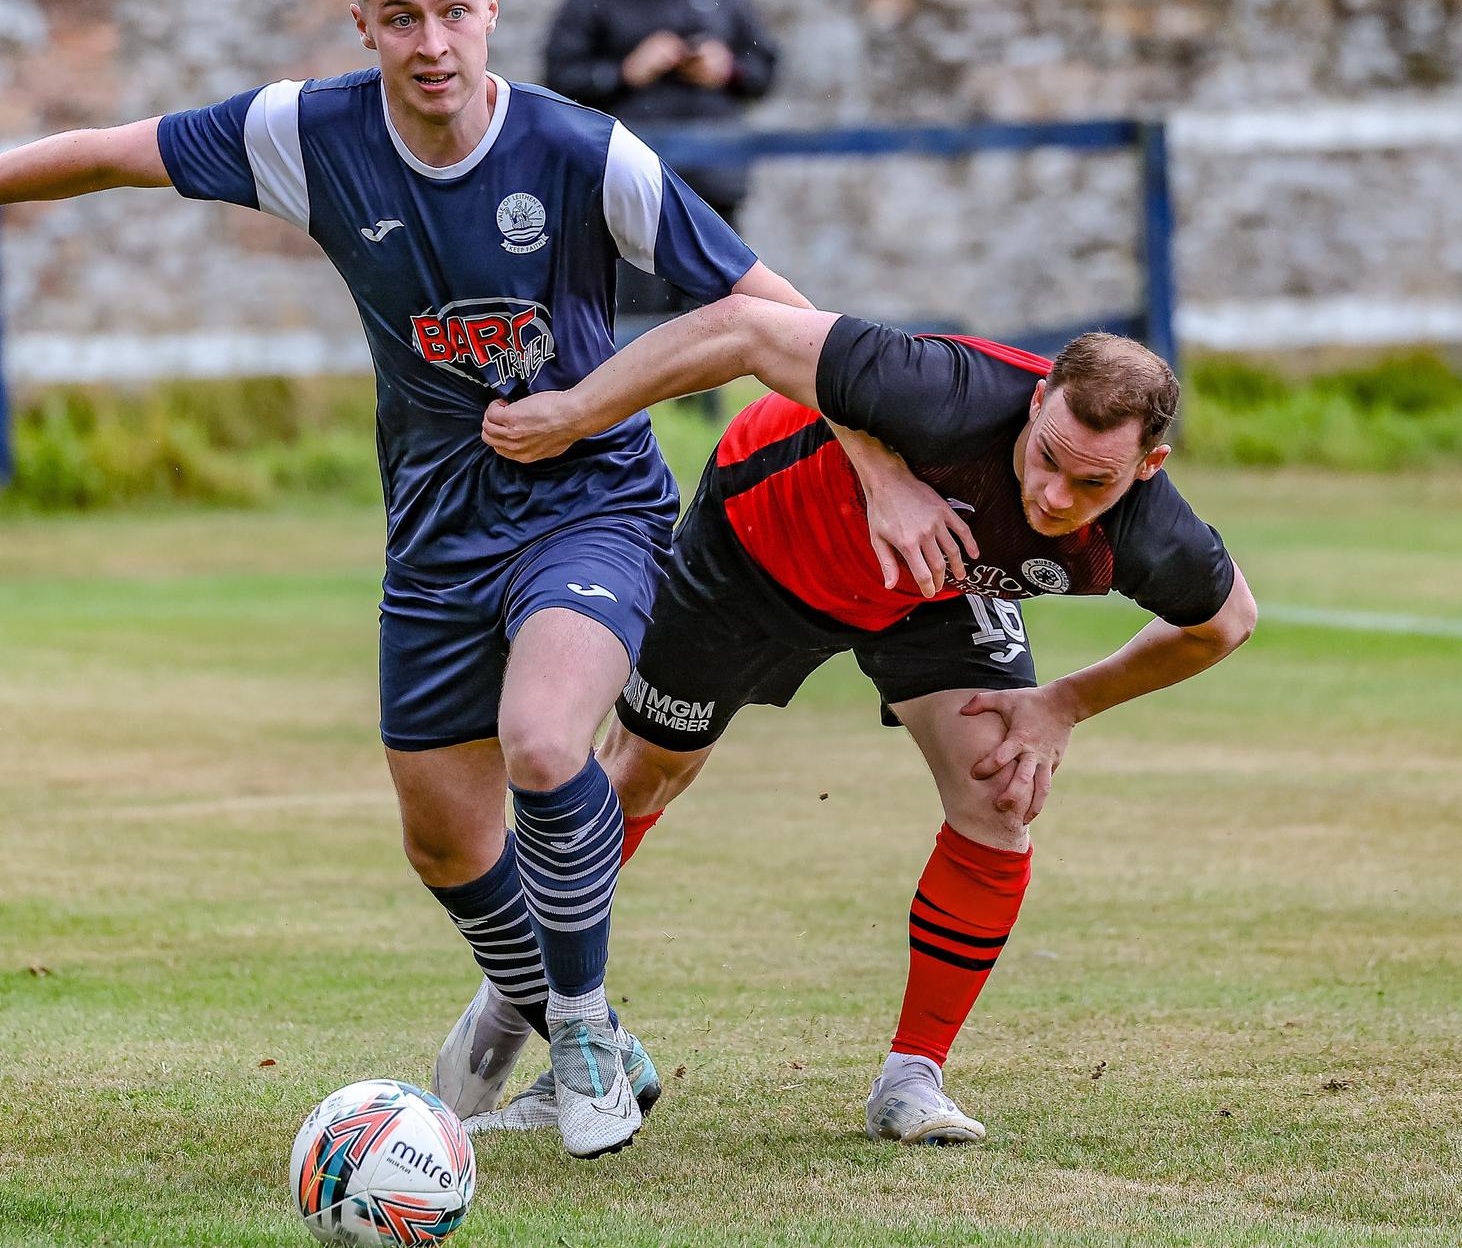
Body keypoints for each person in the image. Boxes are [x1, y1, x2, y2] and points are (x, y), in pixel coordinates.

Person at [0, 0, 845, 1160]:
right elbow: (108, 152)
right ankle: (547, 1005)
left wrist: (887, 449)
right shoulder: (301, 134)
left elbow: (778, 312)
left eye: (456, 11)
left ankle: (575, 1024)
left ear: (491, 8)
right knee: (440, 836)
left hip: (587, 500)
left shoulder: (584, 152)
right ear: (362, 23)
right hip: (433, 523)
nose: (434, 43)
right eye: (404, 18)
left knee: (544, 741)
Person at [461, 302, 1257, 1144]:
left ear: (1149, 464)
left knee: (1001, 790)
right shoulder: (943, 390)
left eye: (1092, 482)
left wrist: (1064, 703)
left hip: (931, 586)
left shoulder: (1148, 531)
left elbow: (1226, 619)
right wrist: (577, 412)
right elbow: (745, 327)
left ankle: (913, 1076)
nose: (1055, 496)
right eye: (1048, 458)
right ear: (1035, 404)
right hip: (757, 544)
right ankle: (540, 1012)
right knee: (641, 774)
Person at [544, 0, 779, 414]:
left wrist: (726, 68)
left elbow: (764, 69)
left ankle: (705, 413)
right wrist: (627, 71)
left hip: (715, 180)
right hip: (629, 189)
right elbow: (558, 80)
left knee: (717, 297)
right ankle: (634, 411)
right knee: (638, 305)